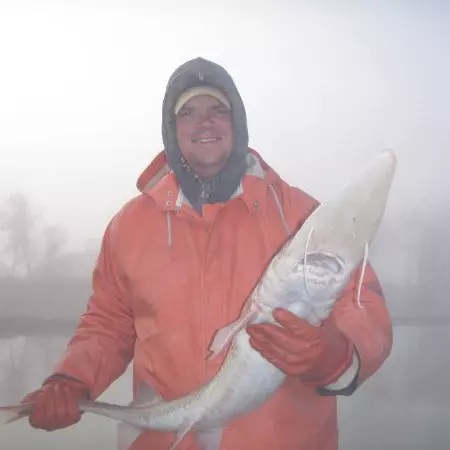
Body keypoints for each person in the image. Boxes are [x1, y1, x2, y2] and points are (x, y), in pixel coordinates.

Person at [21, 57, 393, 449]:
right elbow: (109, 322)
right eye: (189, 113)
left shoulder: (305, 218)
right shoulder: (128, 226)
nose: (205, 122)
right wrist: (71, 378)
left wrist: (338, 357)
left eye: (219, 110)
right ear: (171, 128)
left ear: (238, 124)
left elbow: (362, 305)